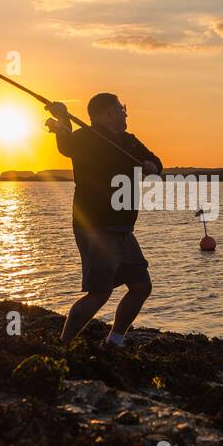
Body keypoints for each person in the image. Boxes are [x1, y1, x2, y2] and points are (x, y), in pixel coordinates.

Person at [46, 92, 161, 346]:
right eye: (122, 108)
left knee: (141, 286)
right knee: (100, 292)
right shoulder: (85, 138)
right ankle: (63, 346)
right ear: (108, 112)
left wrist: (152, 165)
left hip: (122, 229)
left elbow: (156, 161)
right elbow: (65, 145)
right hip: (95, 226)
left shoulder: (129, 141)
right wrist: (63, 117)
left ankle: (114, 341)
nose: (125, 112)